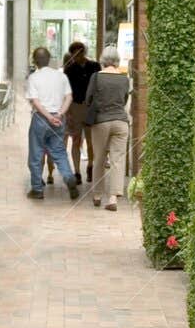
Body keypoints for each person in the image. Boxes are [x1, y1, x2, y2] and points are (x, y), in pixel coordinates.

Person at [25, 46, 80, 200]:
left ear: (35, 61)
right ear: (49, 59)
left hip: (41, 119)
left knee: (36, 154)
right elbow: (69, 97)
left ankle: (37, 189)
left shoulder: (33, 78)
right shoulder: (61, 76)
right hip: (58, 118)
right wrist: (59, 114)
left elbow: (35, 101)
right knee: (59, 152)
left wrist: (48, 117)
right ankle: (69, 177)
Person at [84, 46, 130, 210]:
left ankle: (97, 195)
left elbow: (88, 98)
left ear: (103, 59)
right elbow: (124, 100)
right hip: (121, 122)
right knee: (118, 160)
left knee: (99, 159)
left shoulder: (96, 77)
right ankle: (113, 199)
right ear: (117, 60)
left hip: (101, 121)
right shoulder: (124, 79)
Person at [62, 40, 100, 184]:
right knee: (76, 141)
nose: (77, 57)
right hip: (75, 107)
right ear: (71, 55)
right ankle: (77, 171)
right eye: (74, 54)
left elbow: (98, 88)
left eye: (79, 53)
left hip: (90, 107)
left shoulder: (95, 66)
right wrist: (68, 113)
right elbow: (67, 93)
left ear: (84, 52)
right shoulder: (69, 70)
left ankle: (90, 166)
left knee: (91, 141)